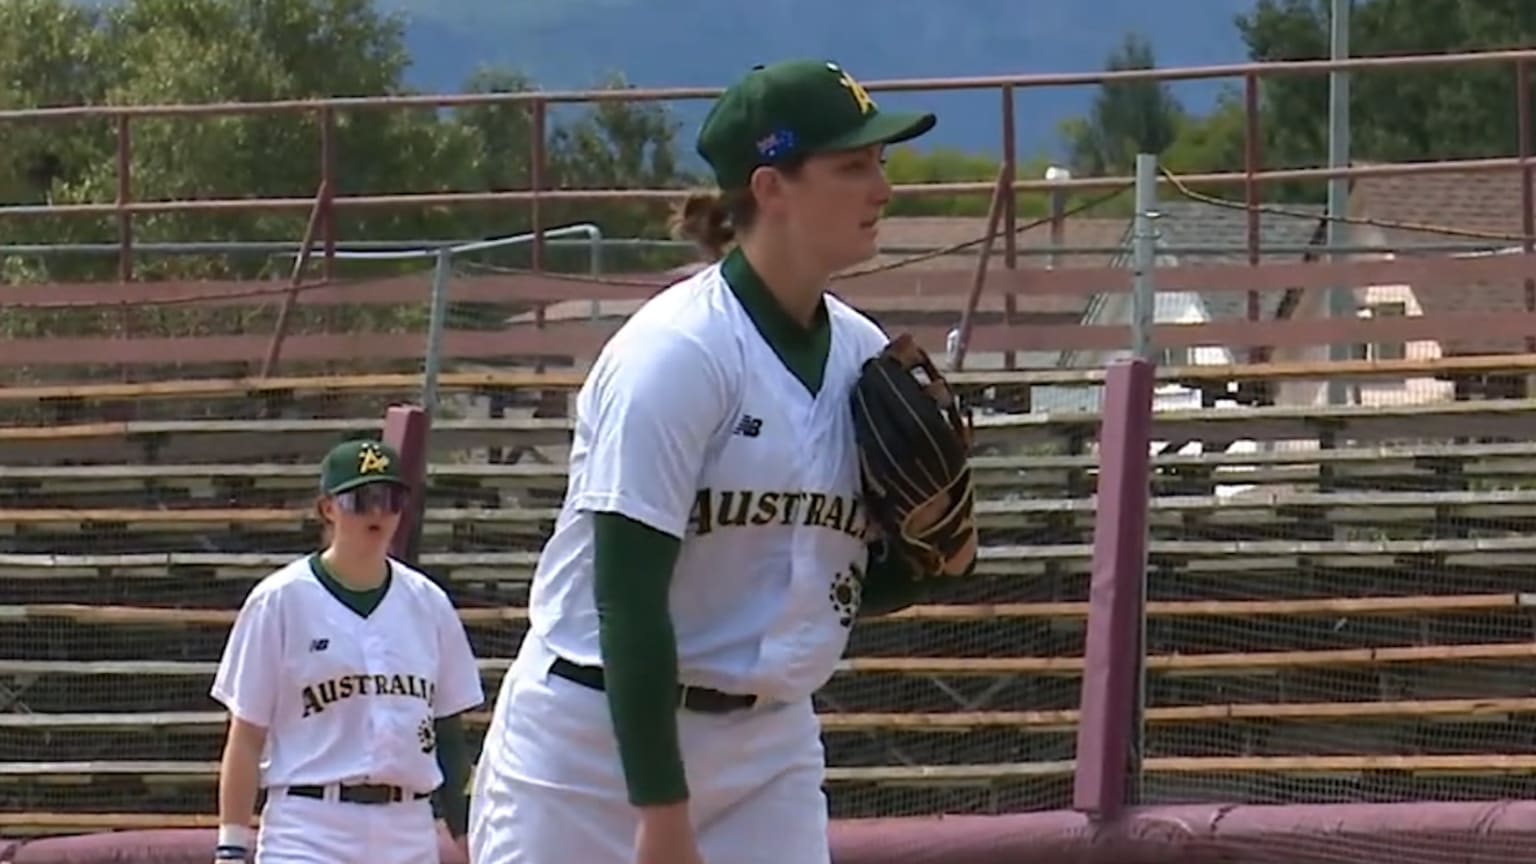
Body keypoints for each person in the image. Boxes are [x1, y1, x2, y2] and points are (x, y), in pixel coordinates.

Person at [467, 58, 978, 864]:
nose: (882, 187)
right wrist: (662, 813)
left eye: (880, 162)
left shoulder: (866, 357)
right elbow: (626, 600)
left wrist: (925, 564)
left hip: (767, 747)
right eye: (853, 165)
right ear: (770, 187)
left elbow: (823, 588)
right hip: (593, 753)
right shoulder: (675, 355)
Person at [210, 438, 484, 864]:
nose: (377, 512)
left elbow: (448, 736)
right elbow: (245, 737)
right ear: (328, 509)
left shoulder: (428, 604)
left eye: (390, 498)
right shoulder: (280, 600)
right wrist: (231, 846)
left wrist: (469, 839)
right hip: (310, 826)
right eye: (361, 499)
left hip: (407, 826)